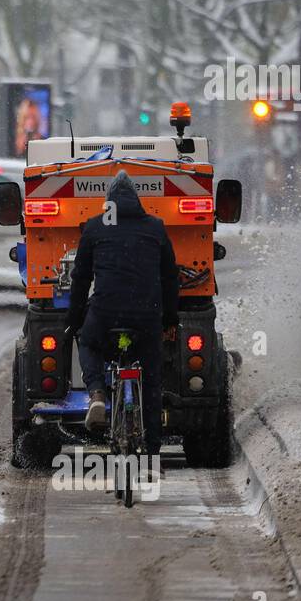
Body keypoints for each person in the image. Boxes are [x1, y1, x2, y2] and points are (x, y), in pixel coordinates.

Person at [65, 170, 179, 454]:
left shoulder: (93, 228)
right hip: (146, 317)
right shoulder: (156, 227)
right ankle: (152, 454)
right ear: (137, 200)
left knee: (89, 342)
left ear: (108, 202)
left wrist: (75, 320)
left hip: (106, 315)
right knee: (151, 381)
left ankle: (98, 394)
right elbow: (170, 277)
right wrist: (170, 320)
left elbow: (80, 278)